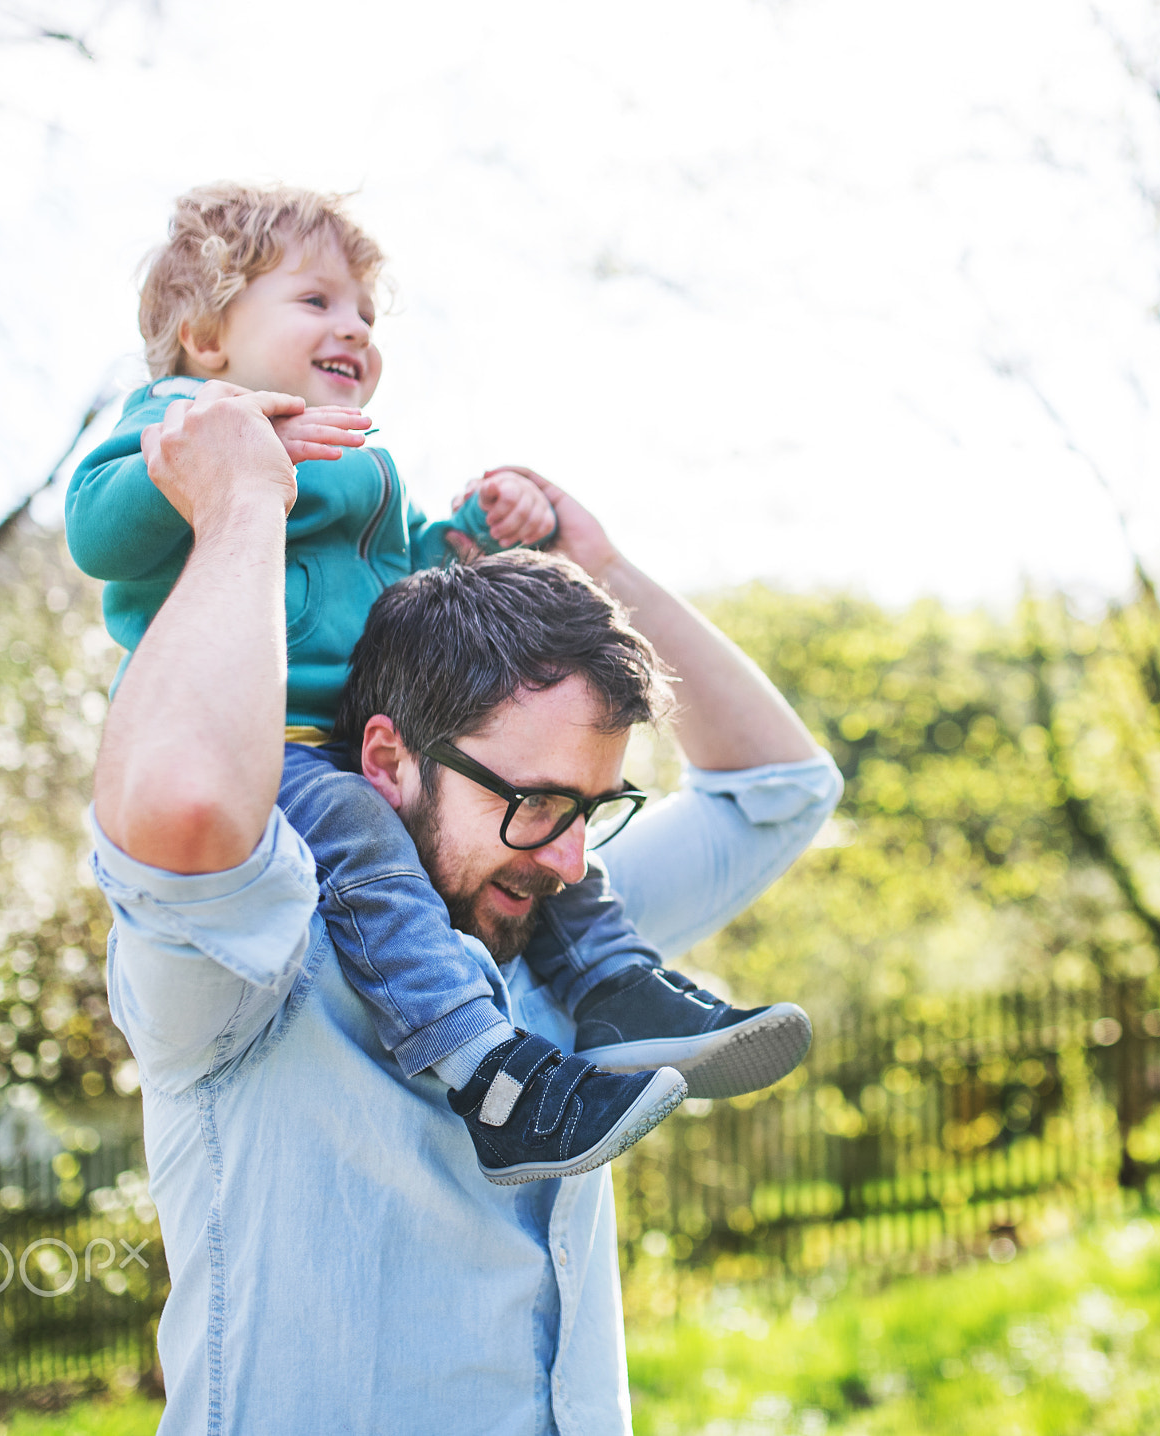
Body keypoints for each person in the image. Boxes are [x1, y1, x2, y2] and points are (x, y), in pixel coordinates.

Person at [90, 384, 841, 1430]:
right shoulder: (245, 965)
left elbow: (779, 790)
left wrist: (605, 569)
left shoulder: (556, 931)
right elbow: (181, 807)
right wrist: (242, 507)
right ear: (387, 757)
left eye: (591, 807)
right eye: (535, 802)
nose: (572, 859)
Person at [68, 184, 814, 1183]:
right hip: (273, 752)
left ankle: (615, 983)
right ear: (205, 335)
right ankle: (489, 1075)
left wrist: (479, 528)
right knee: (372, 840)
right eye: (317, 302)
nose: (353, 329)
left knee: (559, 843)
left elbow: (416, 575)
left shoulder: (363, 462)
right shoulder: (181, 421)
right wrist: (229, 470)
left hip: (365, 741)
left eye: (365, 315)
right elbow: (96, 530)